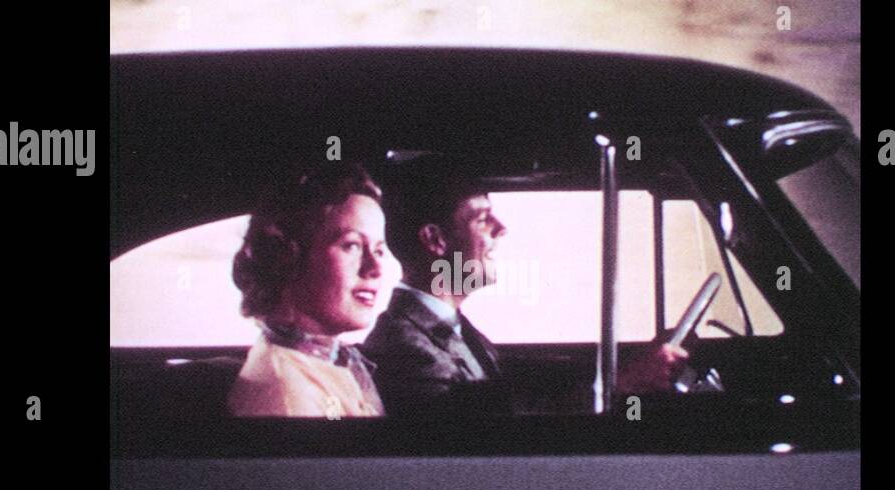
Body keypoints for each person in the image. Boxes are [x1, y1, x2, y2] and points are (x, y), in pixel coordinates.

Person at [362, 175, 689, 417]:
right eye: (482, 218)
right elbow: (485, 427)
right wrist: (622, 384)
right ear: (435, 240)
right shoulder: (402, 345)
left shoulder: (452, 327)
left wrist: (624, 372)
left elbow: (510, 390)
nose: (501, 228)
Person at [227, 164, 388, 417]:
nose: (376, 267)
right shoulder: (288, 398)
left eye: (379, 250)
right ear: (286, 257)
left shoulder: (322, 362)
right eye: (352, 245)